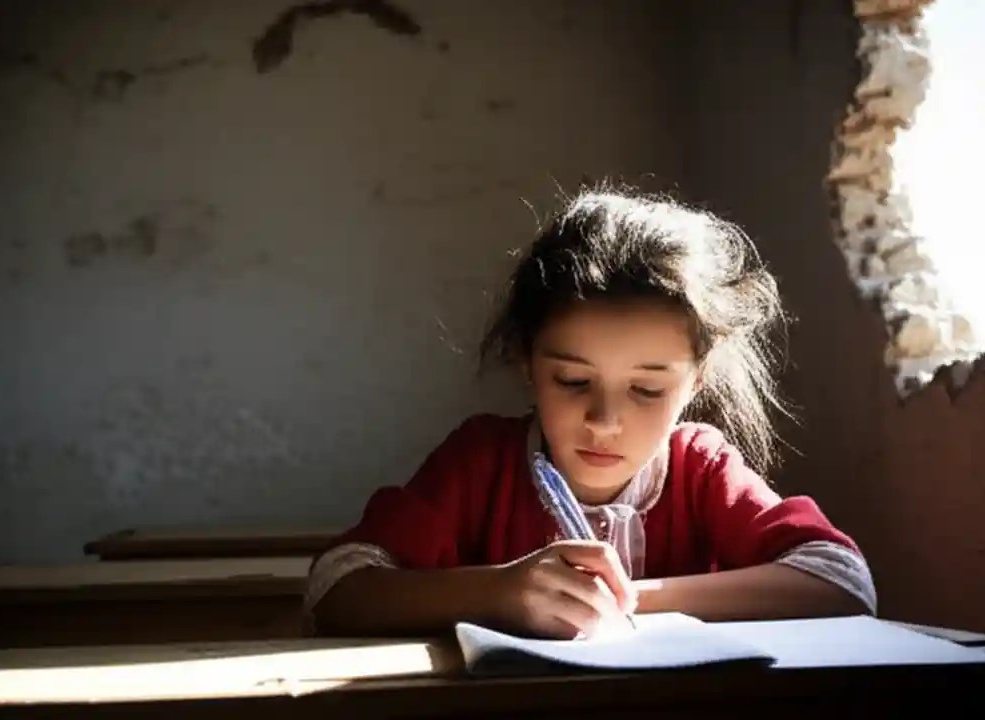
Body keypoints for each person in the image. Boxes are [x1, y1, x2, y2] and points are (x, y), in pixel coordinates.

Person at [305, 186, 876, 639]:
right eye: (574, 380)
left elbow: (842, 580)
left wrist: (626, 599)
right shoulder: (480, 463)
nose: (605, 421)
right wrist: (502, 594)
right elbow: (338, 586)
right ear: (527, 362)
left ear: (695, 381)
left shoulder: (700, 466)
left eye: (648, 390)